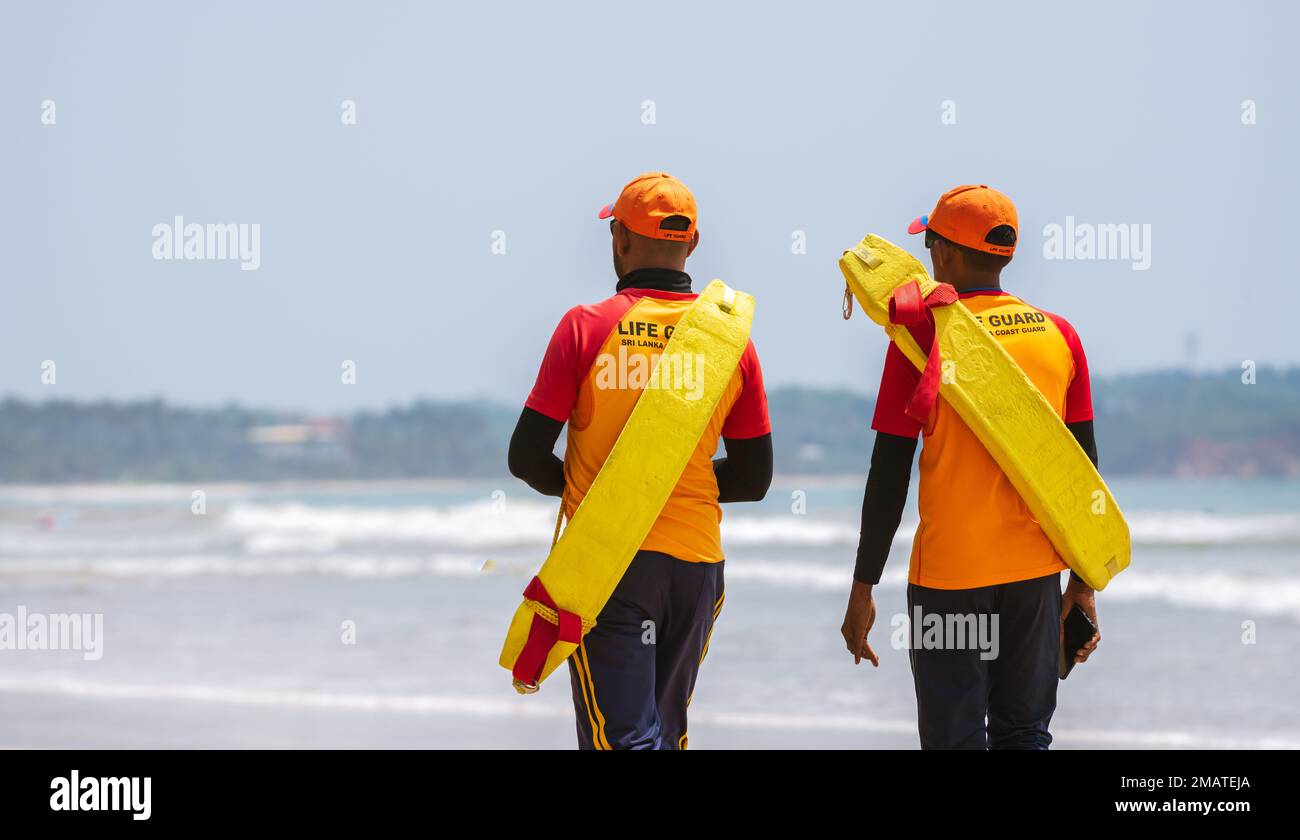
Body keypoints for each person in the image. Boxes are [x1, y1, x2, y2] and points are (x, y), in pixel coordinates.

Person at [508, 172, 772, 750]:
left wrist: (609, 498)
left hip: (611, 564)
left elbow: (525, 457)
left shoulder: (586, 327)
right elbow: (754, 479)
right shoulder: (731, 343)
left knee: (623, 740)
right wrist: (669, 486)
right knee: (665, 735)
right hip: (696, 565)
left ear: (619, 240)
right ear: (692, 245)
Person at [840, 184, 1102, 749]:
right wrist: (1082, 583)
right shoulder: (1060, 337)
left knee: (952, 741)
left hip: (949, 581)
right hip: (1033, 580)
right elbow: (1084, 475)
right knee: (1025, 735)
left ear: (948, 255)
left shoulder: (920, 336)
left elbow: (888, 472)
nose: (930, 253)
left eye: (932, 241)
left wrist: (863, 587)